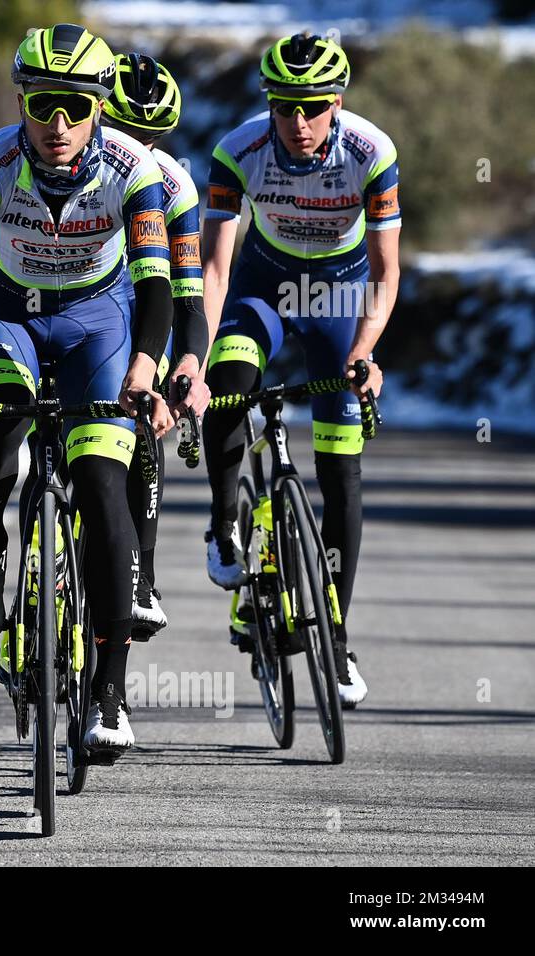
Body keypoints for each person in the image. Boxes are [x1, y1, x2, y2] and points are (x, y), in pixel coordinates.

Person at [0, 23, 174, 750]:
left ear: (99, 103)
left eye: (73, 105)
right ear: (23, 103)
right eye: (41, 106)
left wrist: (146, 368)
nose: (57, 125)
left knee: (101, 485)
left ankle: (109, 698)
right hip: (10, 313)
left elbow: (156, 283)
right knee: (0, 429)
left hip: (99, 320)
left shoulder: (135, 170)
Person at [199, 33, 401, 706]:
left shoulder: (371, 154)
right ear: (270, 105)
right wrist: (197, 358)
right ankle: (226, 521)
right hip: (263, 284)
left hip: (342, 298)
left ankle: (336, 643)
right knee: (230, 381)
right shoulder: (239, 151)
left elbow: (386, 270)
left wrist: (365, 351)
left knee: (341, 475)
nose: (299, 122)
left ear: (337, 103)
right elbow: (217, 268)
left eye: (314, 107)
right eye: (285, 106)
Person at [99, 52, 212, 639]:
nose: (136, 149)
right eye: (123, 132)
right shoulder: (66, 166)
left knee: (148, 414)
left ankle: (140, 572)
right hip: (65, 306)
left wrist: (190, 363)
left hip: (143, 313)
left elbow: (188, 295)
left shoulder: (174, 187)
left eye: (149, 136)